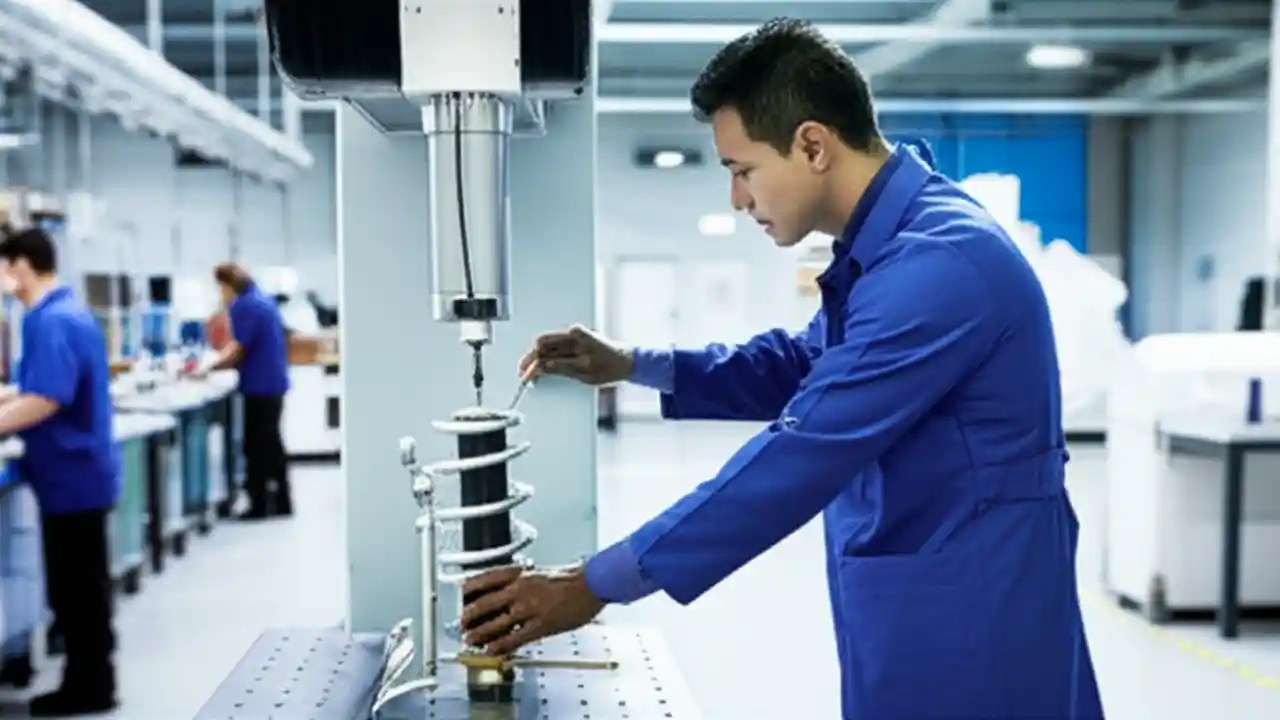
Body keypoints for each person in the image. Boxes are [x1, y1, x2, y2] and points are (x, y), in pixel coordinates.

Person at [458, 18, 1103, 720]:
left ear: (812, 145)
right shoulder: (888, 249)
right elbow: (803, 363)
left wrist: (597, 581)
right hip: (921, 591)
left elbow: (802, 450)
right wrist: (633, 364)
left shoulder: (941, 263)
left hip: (974, 615)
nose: (737, 199)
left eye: (742, 170)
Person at [0, 227, 118, 716]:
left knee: (78, 593)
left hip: (73, 480)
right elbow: (32, 387)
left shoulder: (50, 321)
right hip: (75, 477)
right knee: (81, 589)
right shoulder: (62, 313)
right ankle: (91, 681)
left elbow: (47, 398)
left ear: (22, 265)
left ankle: (88, 689)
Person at [201, 262, 292, 519]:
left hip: (260, 386)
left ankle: (260, 505)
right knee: (272, 445)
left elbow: (238, 348)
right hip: (273, 382)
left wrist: (208, 368)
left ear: (227, 285)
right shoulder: (261, 300)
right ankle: (283, 501)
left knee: (257, 446)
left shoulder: (245, 306)